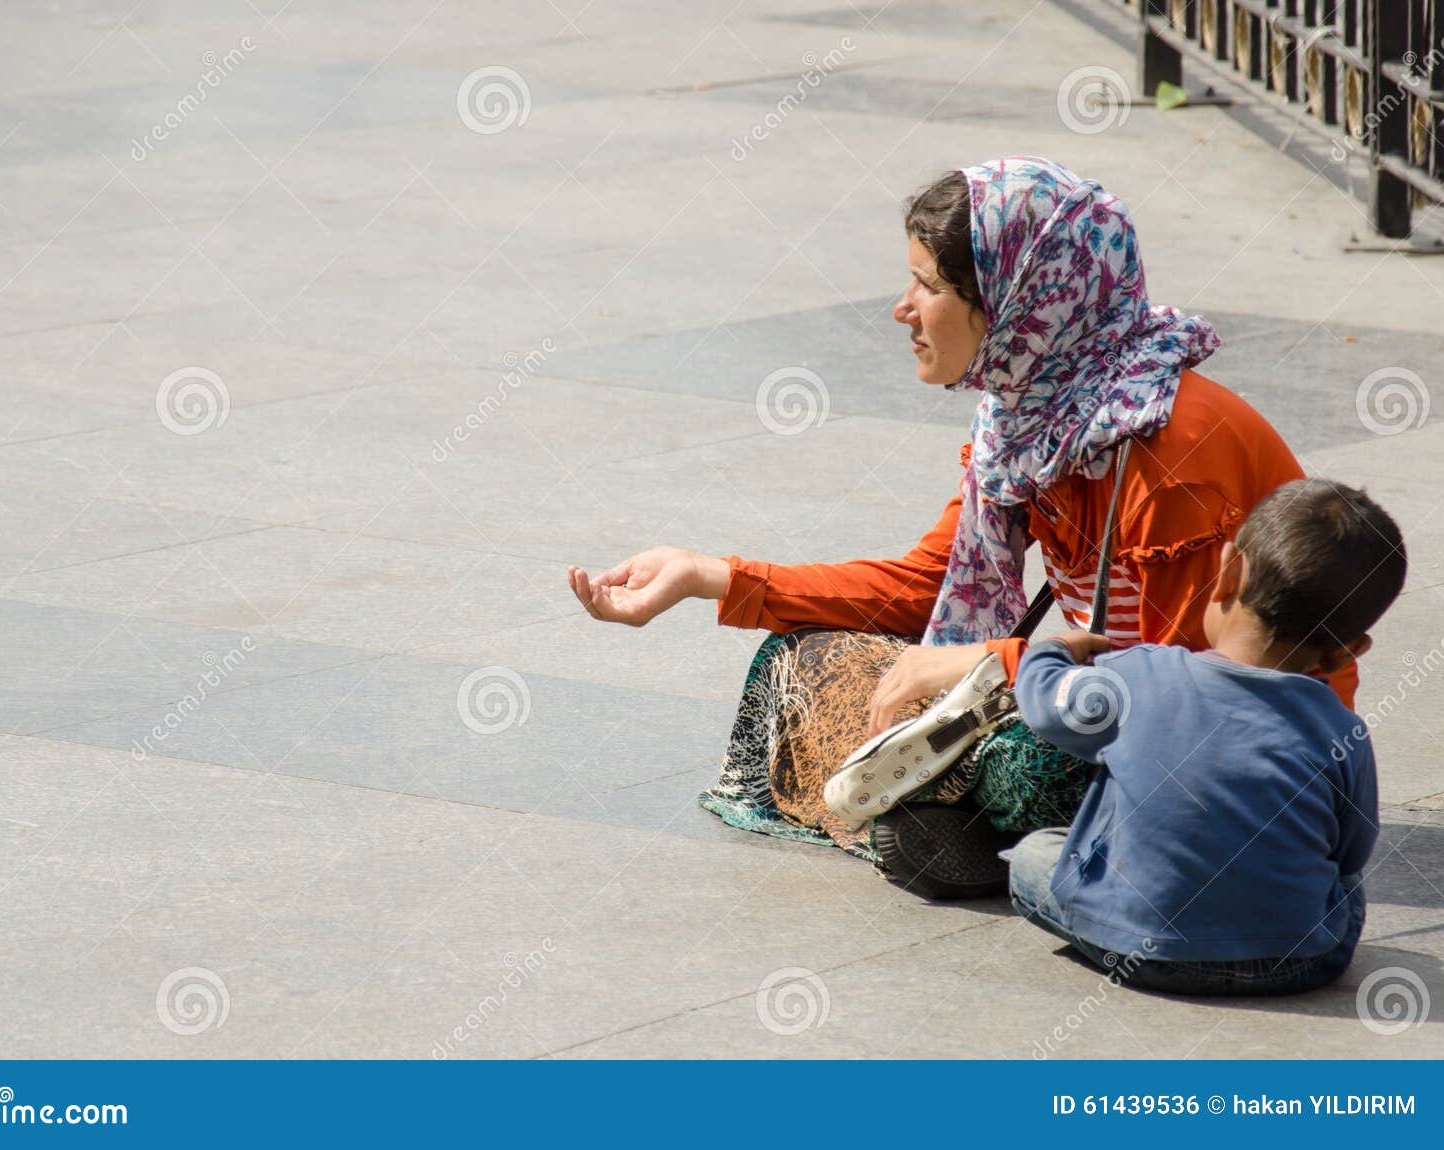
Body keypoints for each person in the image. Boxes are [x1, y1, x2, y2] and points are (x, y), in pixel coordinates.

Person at [567, 156, 1358, 898]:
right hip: (1086, 685)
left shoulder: (1173, 447)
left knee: (1033, 761)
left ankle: (939, 825)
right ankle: (936, 825)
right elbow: (925, 586)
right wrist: (713, 575)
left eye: (929, 286)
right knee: (800, 657)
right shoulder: (1025, 418)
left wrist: (971, 666)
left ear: (1020, 302)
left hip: (1212, 751)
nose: (902, 310)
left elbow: (1181, 688)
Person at [1006, 478, 1403, 995]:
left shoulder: (1138, 677)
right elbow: (1351, 853)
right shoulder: (1342, 730)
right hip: (1296, 961)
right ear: (1348, 651)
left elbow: (1043, 704)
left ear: (1226, 574)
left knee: (1034, 856)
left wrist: (1053, 650)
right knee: (1343, 886)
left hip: (1131, 947)